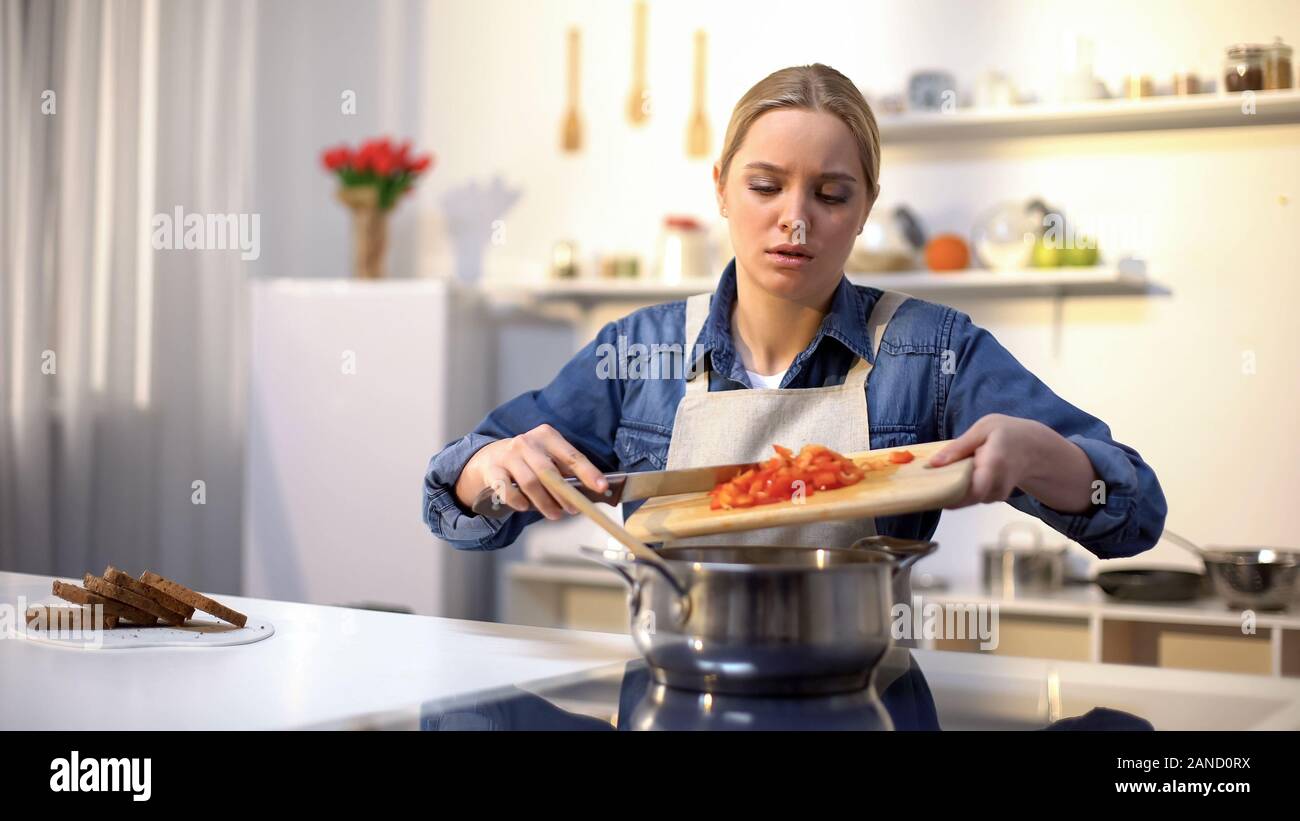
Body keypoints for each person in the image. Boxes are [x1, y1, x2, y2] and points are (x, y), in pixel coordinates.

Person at [422, 63, 1166, 558]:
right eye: (765, 186)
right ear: (719, 188)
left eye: (831, 194)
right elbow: (456, 504)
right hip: (676, 692)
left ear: (867, 205)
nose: (796, 220)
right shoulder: (637, 350)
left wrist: (1047, 459)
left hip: (864, 695)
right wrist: (488, 468)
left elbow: (1135, 511)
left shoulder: (932, 351)